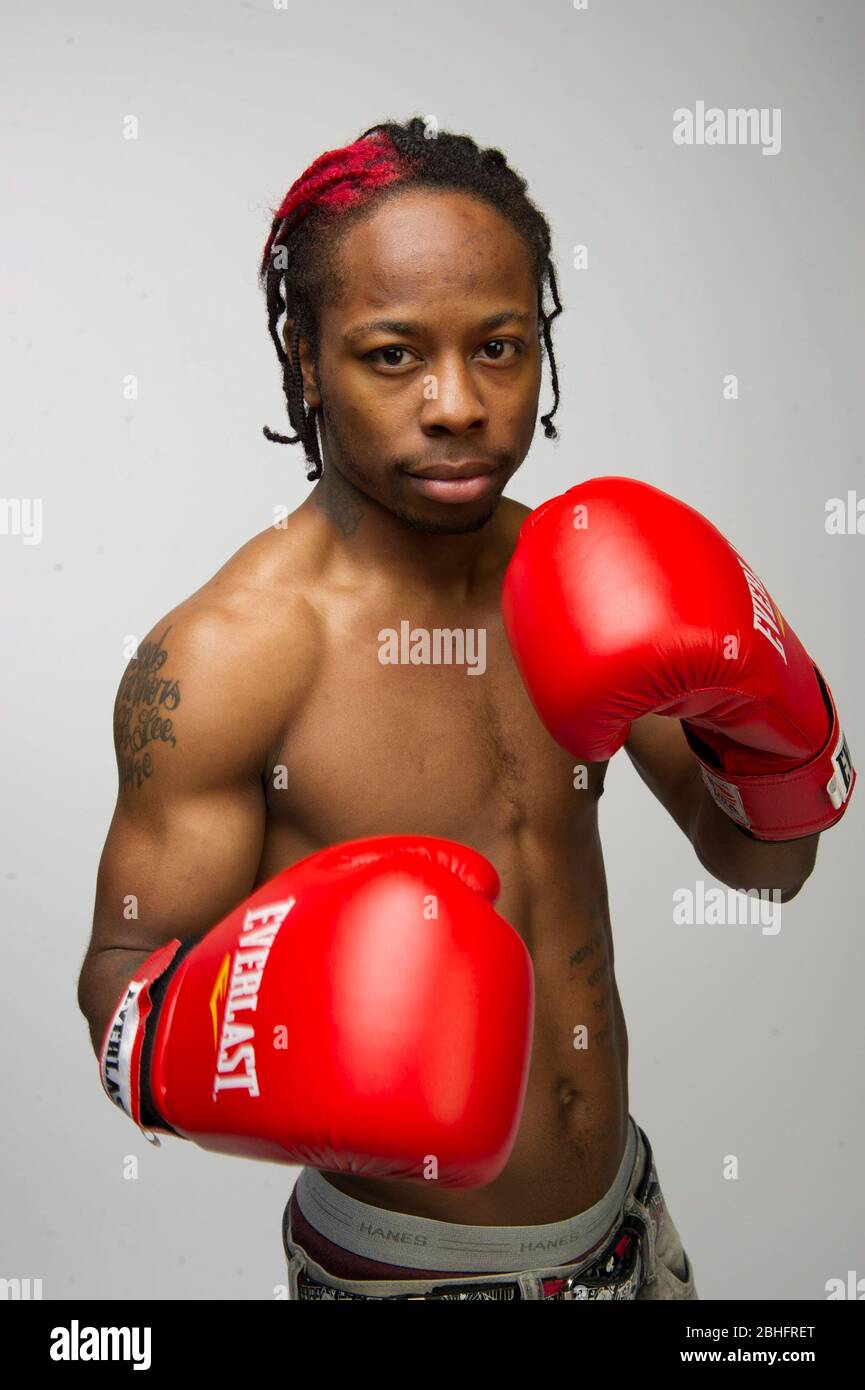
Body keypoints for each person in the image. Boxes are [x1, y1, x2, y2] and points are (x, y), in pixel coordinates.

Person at [78, 118, 854, 1301]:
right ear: (304, 359)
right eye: (393, 355)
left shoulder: (586, 579)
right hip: (405, 1276)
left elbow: (764, 870)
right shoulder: (229, 656)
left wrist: (778, 736)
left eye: (498, 348)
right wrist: (244, 1036)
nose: (458, 404)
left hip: (626, 1221)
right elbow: (124, 975)